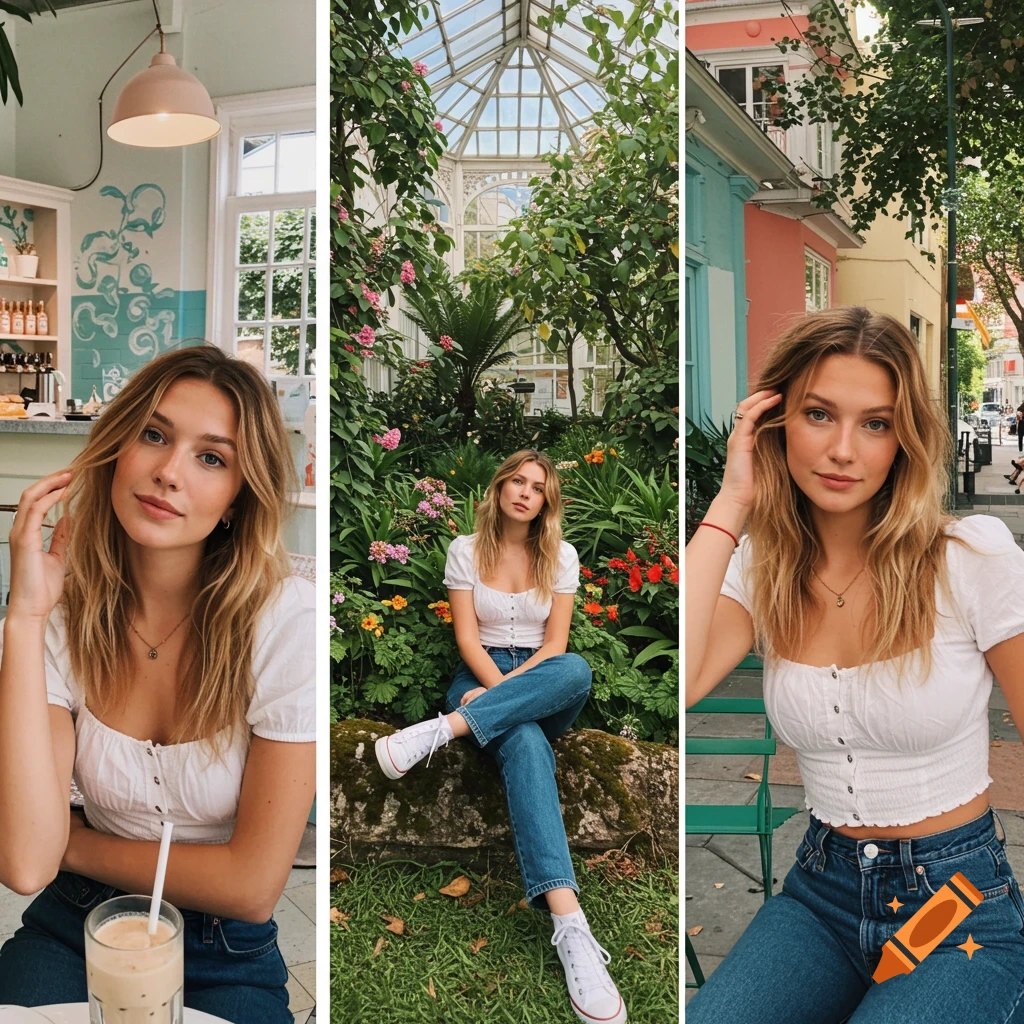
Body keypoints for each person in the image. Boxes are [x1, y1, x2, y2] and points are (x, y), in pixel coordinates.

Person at [685, 306, 1024, 1023]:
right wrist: (733, 497)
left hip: (957, 908)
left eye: (875, 423)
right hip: (821, 891)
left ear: (904, 439)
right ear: (774, 421)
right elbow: (679, 681)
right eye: (818, 414)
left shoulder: (969, 558)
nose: (844, 449)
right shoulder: (763, 568)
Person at [0, 345, 315, 1023]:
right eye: (153, 434)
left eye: (211, 458)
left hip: (226, 949)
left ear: (237, 498)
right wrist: (22, 618)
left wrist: (73, 844)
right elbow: (28, 865)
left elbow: (254, 886)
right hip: (75, 923)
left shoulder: (287, 620)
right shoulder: (59, 612)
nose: (169, 472)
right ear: (118, 449)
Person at [374, 449, 627, 1024]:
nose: (524, 492)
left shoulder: (560, 556)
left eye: (537, 487)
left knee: (578, 670)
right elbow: (467, 639)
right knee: (528, 744)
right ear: (500, 487)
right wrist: (499, 695)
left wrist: (492, 703)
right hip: (479, 672)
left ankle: (443, 731)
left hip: (541, 678)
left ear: (546, 502)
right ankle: (572, 928)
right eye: (516, 480)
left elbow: (556, 649)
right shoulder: (466, 550)